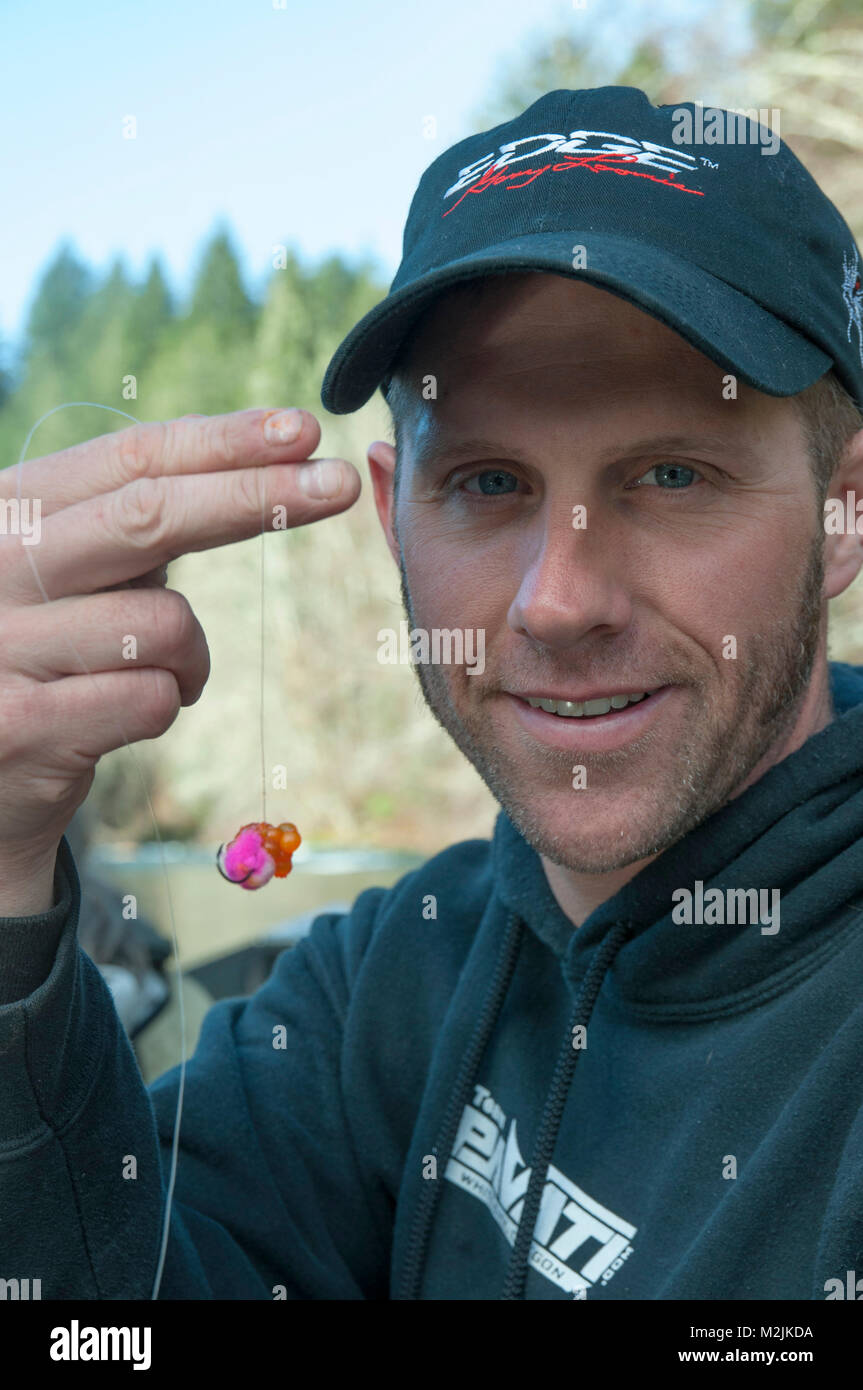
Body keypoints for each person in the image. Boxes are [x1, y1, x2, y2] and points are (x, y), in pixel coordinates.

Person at [2, 86, 863, 1301]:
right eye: (488, 481)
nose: (558, 601)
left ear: (844, 510)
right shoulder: (386, 982)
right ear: (391, 510)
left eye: (670, 474)